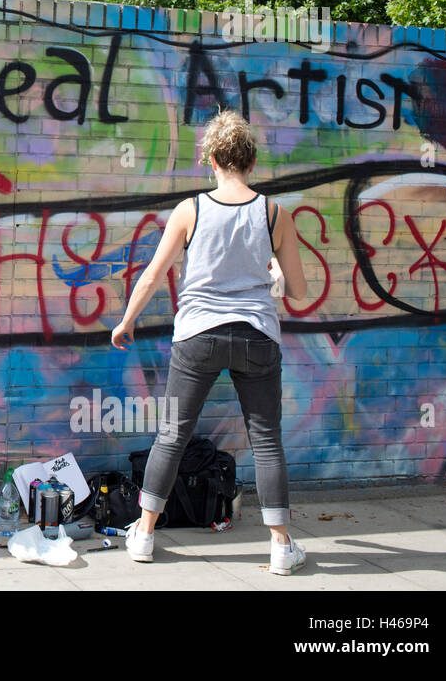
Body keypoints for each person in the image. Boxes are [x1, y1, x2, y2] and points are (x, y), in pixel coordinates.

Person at [109, 109, 309, 575]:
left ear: (213, 159)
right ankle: (280, 546)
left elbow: (154, 275)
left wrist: (126, 322)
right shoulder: (274, 213)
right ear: (251, 158)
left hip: (197, 336)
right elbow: (298, 290)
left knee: (173, 433)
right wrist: (275, 272)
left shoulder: (190, 209)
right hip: (257, 337)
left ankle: (144, 534)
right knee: (266, 441)